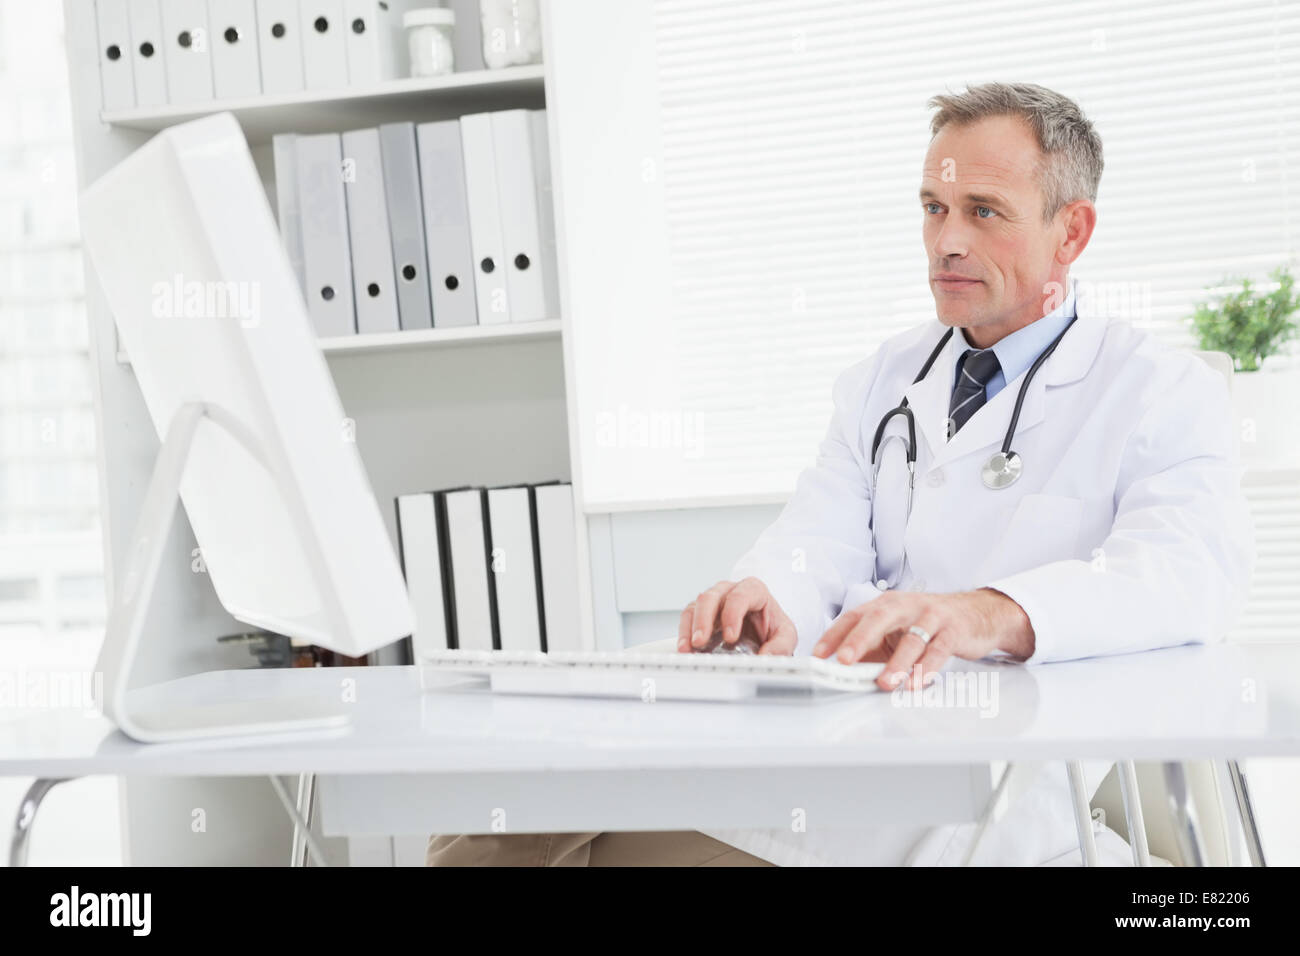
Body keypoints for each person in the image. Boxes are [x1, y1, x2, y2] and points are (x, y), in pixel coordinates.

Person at [427, 81, 1255, 867]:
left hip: (989, 777)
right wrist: (765, 596)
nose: (946, 240)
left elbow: (1184, 572)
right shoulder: (883, 380)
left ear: (1071, 232)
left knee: (524, 831)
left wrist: (988, 614)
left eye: (983, 212)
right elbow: (817, 535)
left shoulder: (1156, 389)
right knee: (499, 793)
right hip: (837, 731)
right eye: (933, 208)